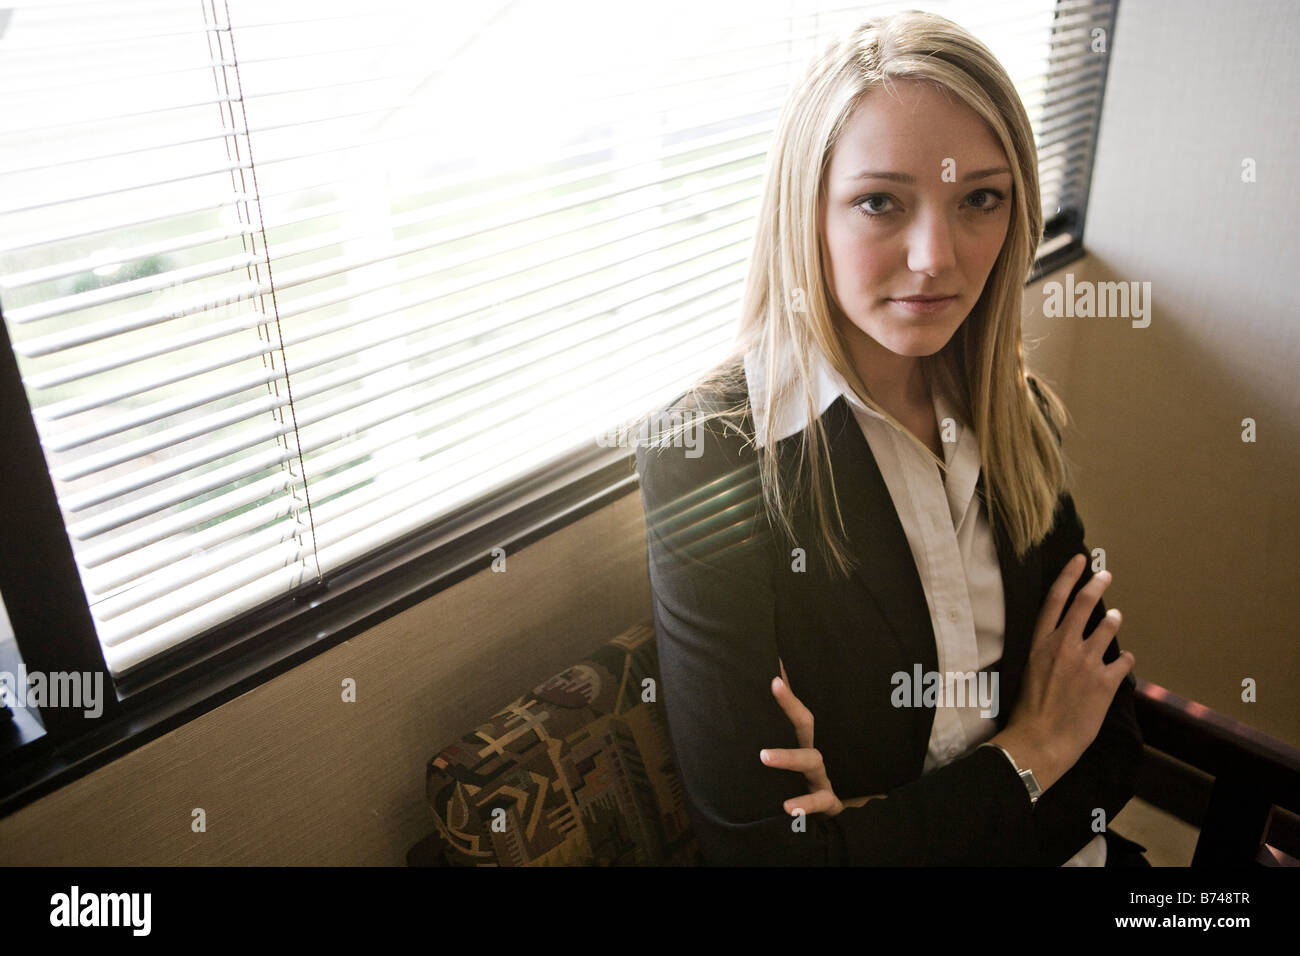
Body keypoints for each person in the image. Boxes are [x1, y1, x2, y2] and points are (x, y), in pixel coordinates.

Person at [631, 10, 1148, 866]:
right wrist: (1034, 750)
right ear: (808, 212)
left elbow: (1115, 750)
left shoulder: (1015, 412)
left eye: (979, 199)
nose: (934, 257)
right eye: (880, 202)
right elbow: (768, 860)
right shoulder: (707, 454)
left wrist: (874, 828)